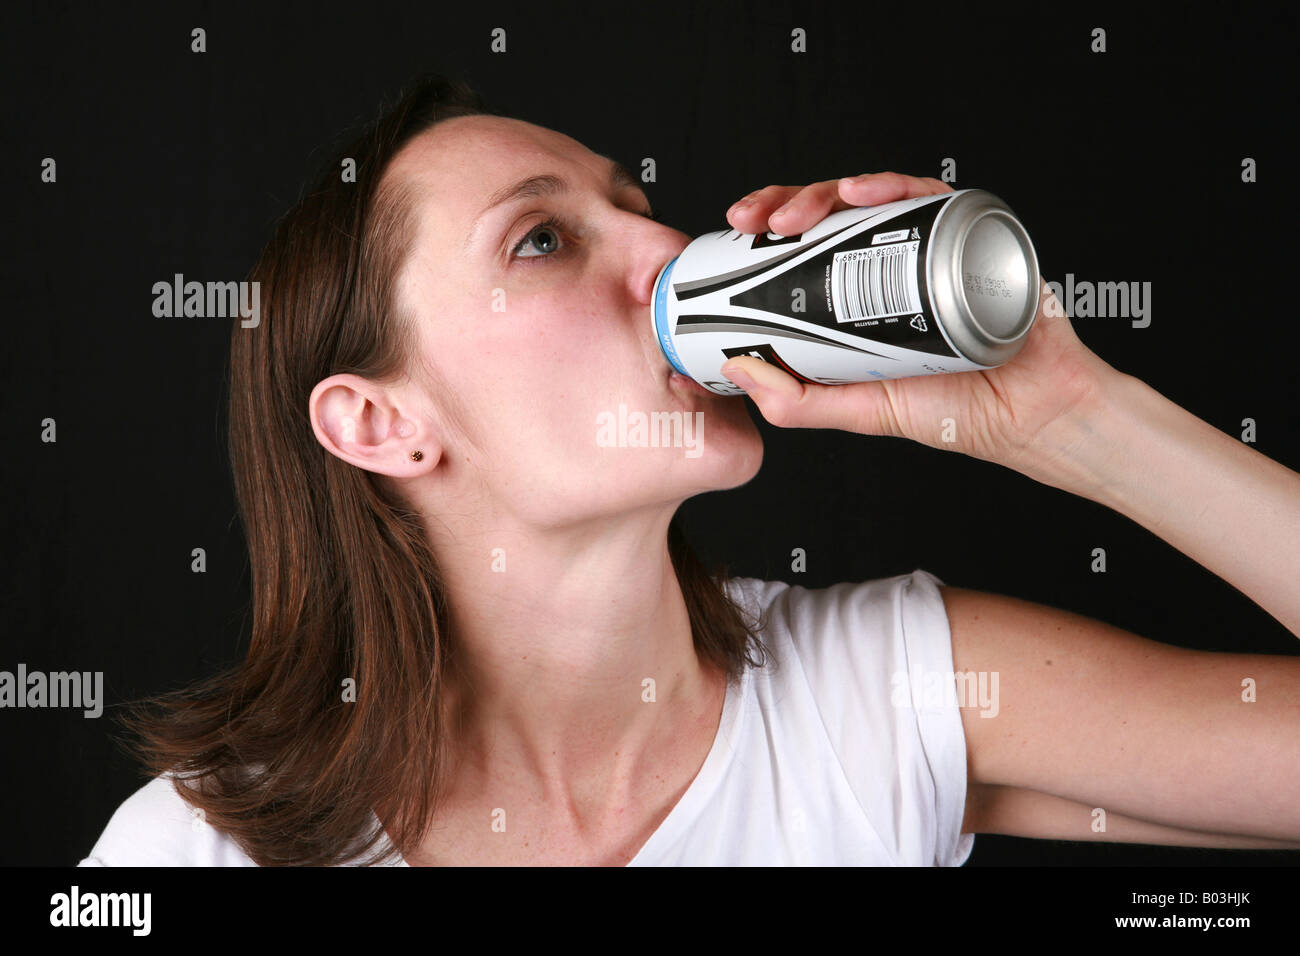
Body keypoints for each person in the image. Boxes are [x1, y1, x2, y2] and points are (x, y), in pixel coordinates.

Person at [79, 73, 1300, 867]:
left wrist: (1078, 416)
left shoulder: (882, 695)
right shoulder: (192, 851)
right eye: (543, 238)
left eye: (641, 206)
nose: (672, 250)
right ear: (379, 423)